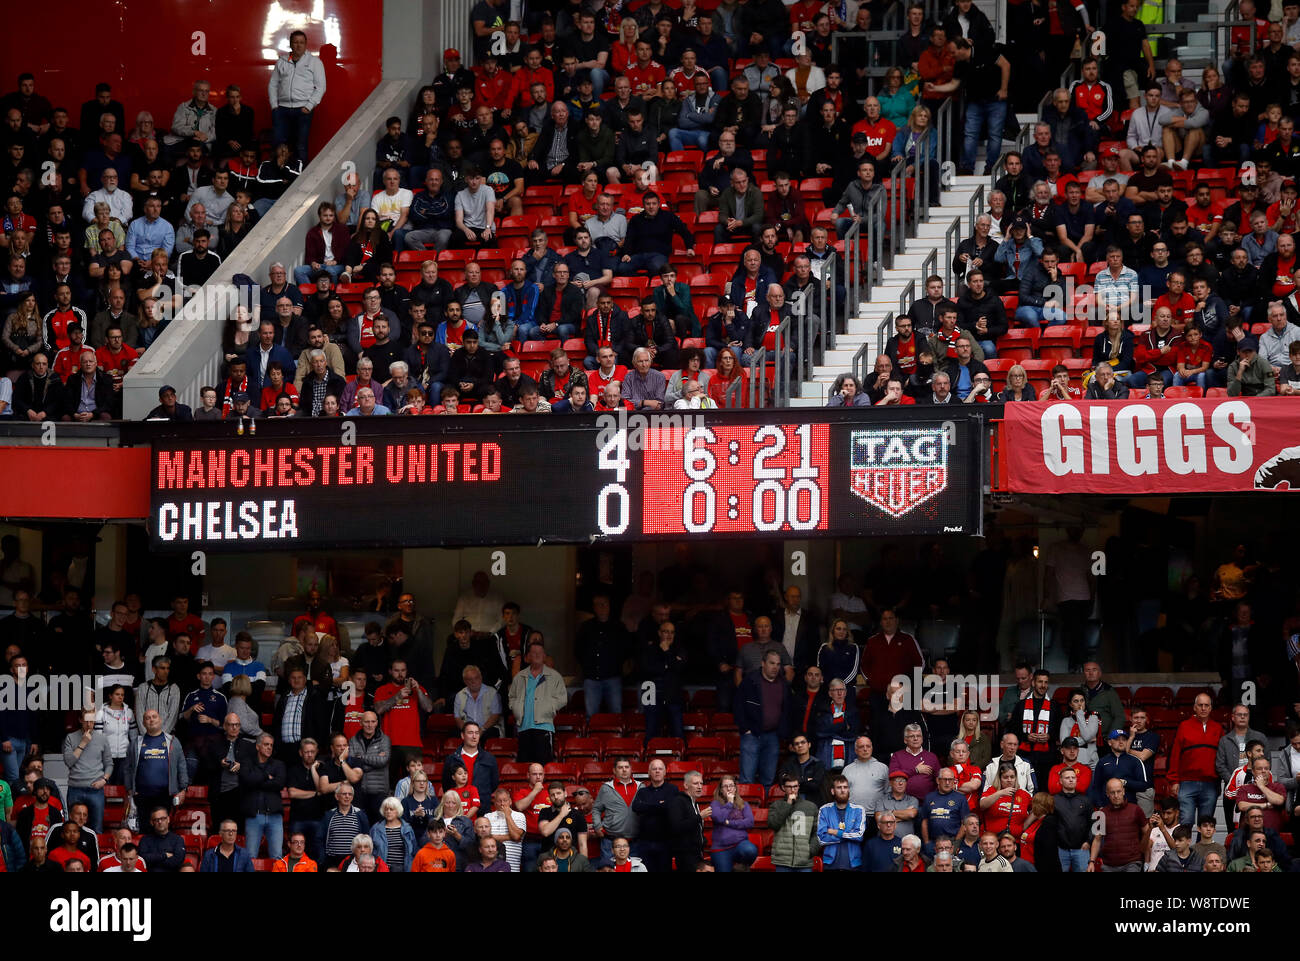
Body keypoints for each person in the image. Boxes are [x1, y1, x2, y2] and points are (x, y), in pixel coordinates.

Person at [508, 640, 568, 764]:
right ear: (528, 656)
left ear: (544, 656)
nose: (537, 655)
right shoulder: (519, 677)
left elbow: (563, 699)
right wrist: (515, 708)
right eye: (533, 653)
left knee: (544, 766)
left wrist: (549, 707)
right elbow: (511, 697)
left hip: (544, 727)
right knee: (525, 767)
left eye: (540, 652)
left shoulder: (554, 676)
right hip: (523, 728)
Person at [1168, 692, 1222, 827]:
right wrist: (1174, 780)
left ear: (1210, 708)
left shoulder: (1218, 728)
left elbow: (1222, 757)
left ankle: (1201, 850)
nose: (1203, 708)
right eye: (1200, 705)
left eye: (1206, 705)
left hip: (1210, 784)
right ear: (1194, 707)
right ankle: (1183, 849)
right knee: (1186, 821)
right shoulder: (1184, 726)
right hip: (1187, 783)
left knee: (1206, 825)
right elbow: (1175, 755)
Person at [61, 710, 112, 832]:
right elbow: (69, 762)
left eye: (92, 721)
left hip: (95, 789)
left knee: (97, 828)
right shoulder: (71, 737)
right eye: (86, 721)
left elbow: (109, 764)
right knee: (72, 829)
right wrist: (83, 743)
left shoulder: (102, 739)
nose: (89, 724)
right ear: (80, 720)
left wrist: (104, 780)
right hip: (75, 788)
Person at [1089, 778, 1150, 872]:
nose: (1116, 796)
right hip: (1109, 865)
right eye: (1112, 792)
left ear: (1124, 791)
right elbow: (1097, 840)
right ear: (1107, 794)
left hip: (1132, 862)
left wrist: (1147, 861)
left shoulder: (1136, 810)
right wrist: (1091, 861)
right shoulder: (1101, 813)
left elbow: (1148, 834)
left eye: (1119, 791)